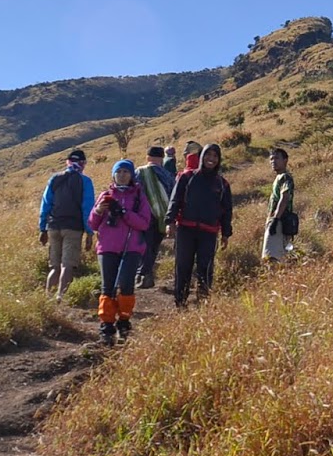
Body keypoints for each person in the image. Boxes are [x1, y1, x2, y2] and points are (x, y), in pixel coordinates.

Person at [87, 160, 151, 345]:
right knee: (107, 288)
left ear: (131, 175)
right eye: (119, 172)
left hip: (132, 248)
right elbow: (92, 224)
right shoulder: (105, 195)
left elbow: (144, 223)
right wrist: (98, 210)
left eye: (125, 172)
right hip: (107, 248)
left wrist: (123, 212)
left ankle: (124, 322)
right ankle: (106, 327)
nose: (122, 175)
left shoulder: (139, 196)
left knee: (126, 286)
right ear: (113, 175)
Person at [165, 142, 233, 306]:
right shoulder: (187, 177)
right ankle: (180, 303)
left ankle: (203, 303)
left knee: (206, 268)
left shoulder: (222, 184)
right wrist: (170, 221)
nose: (211, 159)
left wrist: (226, 233)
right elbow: (175, 199)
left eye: (215, 156)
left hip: (209, 232)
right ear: (201, 156)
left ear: (219, 160)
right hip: (185, 229)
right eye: (208, 154)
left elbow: (227, 211)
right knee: (183, 266)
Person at [38, 148, 95, 303]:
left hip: (53, 226)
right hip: (73, 228)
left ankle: (47, 298)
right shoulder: (85, 181)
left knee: (54, 266)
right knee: (67, 265)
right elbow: (87, 208)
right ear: (83, 163)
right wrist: (90, 232)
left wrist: (42, 228)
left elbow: (45, 205)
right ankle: (60, 297)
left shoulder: (55, 179)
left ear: (68, 162)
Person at [135, 145, 176, 289]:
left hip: (144, 216)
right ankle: (147, 274)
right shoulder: (168, 175)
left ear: (147, 157)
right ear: (162, 158)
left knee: (144, 246)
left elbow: (135, 192)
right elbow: (173, 194)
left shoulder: (140, 172)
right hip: (163, 216)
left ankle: (144, 275)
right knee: (153, 246)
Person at [262, 148, 295, 262]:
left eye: (276, 158)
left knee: (271, 257)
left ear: (285, 160)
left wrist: (275, 220)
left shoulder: (285, 177)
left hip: (280, 220)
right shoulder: (279, 177)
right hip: (276, 219)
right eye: (271, 159)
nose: (273, 161)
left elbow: (284, 198)